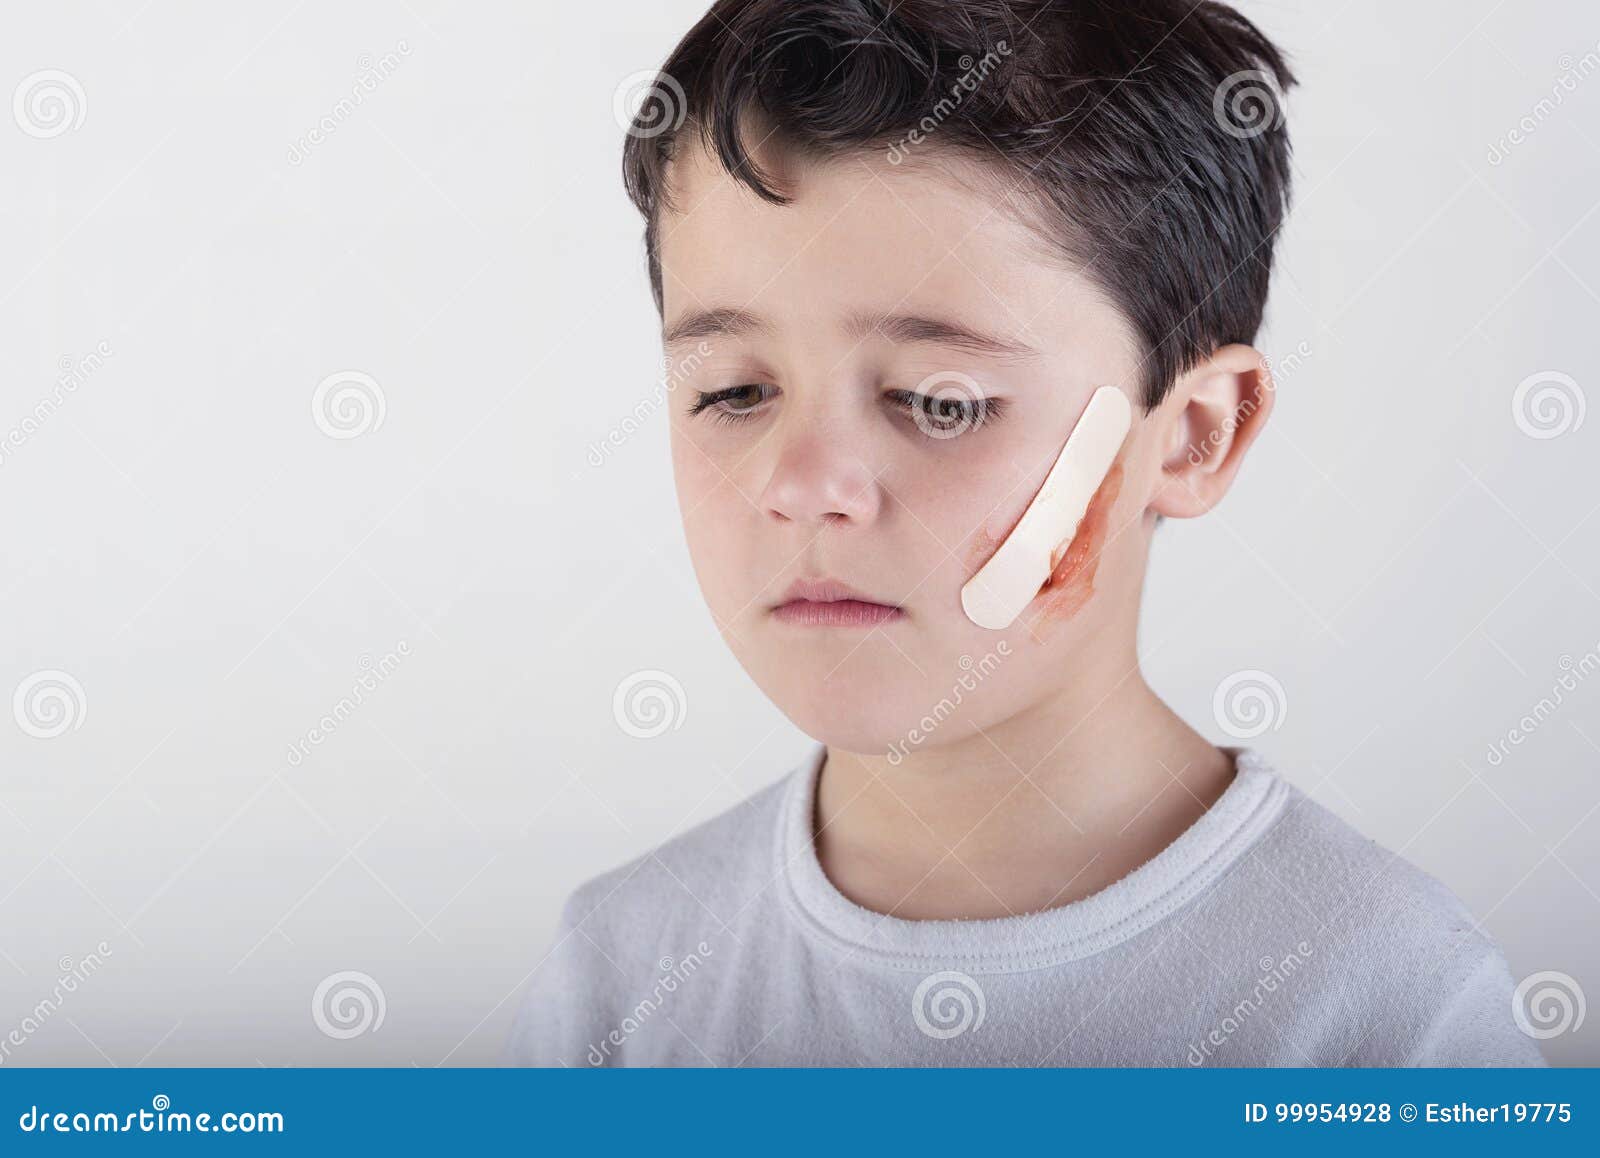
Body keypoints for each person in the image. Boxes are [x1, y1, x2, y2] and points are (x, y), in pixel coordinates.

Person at [503, 0, 1546, 1066]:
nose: (805, 485)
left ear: (1188, 438)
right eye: (733, 392)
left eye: (939, 401)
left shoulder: (1382, 1010)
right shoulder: (619, 982)